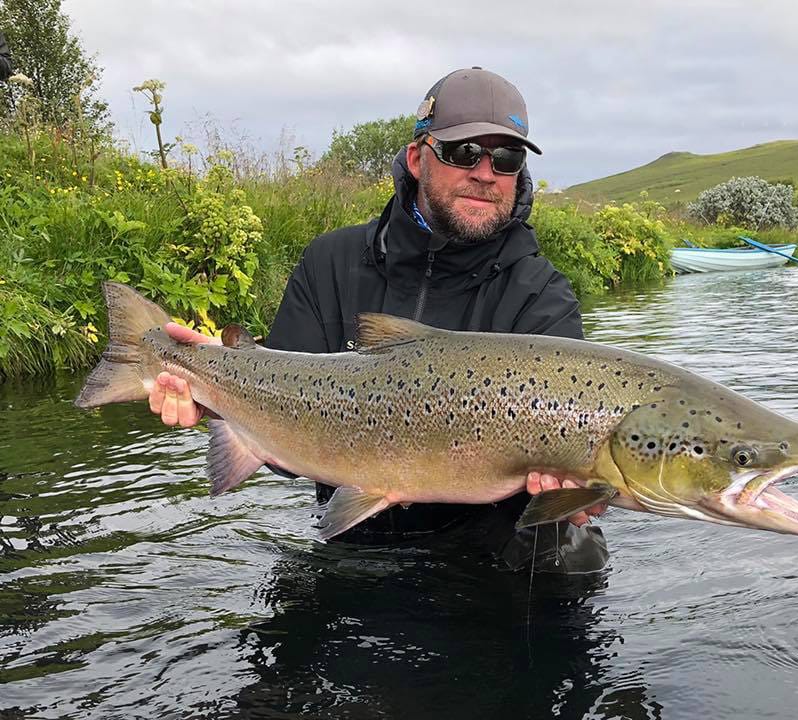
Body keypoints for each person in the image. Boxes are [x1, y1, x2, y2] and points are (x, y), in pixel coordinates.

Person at [148, 67, 610, 572]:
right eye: (463, 152)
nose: (485, 172)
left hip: (492, 554)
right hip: (355, 543)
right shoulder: (331, 263)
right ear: (417, 158)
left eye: (506, 158)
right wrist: (213, 388)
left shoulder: (541, 293)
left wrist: (576, 490)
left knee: (575, 560)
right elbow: (280, 440)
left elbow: (575, 458)